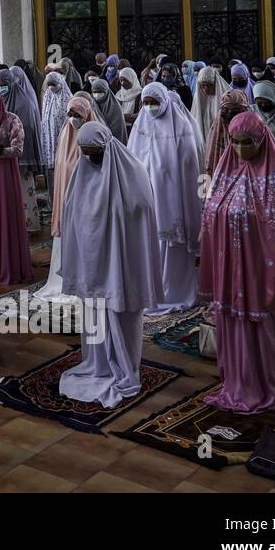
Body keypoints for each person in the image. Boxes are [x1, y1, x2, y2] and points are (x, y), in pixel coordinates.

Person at [200, 113, 275, 411]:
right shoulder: (225, 170)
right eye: (233, 142)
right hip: (231, 269)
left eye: (245, 142)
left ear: (260, 141)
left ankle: (265, 385)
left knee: (264, 329)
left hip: (263, 271)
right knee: (235, 326)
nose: (237, 149)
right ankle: (238, 382)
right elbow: (211, 211)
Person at [58, 123, 163, 407]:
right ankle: (98, 363)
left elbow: (142, 212)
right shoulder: (81, 174)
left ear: (107, 147)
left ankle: (126, 364)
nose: (90, 158)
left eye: (94, 152)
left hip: (122, 267)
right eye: (86, 153)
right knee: (94, 313)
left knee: (122, 314)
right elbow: (71, 213)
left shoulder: (133, 173)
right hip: (92, 264)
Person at [126, 82, 202, 315]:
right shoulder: (140, 126)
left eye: (154, 102)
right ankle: (150, 291)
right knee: (149, 247)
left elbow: (191, 172)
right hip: (147, 201)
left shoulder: (181, 129)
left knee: (171, 249)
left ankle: (175, 291)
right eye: (146, 103)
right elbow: (131, 163)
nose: (149, 107)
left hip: (173, 203)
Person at [35, 94, 98, 303]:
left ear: (86, 114)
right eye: (70, 113)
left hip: (87, 201)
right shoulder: (65, 134)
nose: (72, 118)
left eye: (77, 114)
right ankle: (66, 279)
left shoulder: (93, 135)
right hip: (66, 201)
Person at [0, 84, 32, 284]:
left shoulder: (11, 119)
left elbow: (18, 148)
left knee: (5, 215)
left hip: (4, 175)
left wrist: (0, 151)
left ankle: (8, 267)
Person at [0, 66, 44, 232]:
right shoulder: (3, 100)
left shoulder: (24, 103)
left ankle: (29, 227)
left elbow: (26, 131)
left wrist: (9, 149)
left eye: (3, 84)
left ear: (11, 83)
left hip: (21, 156)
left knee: (25, 193)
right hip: (6, 160)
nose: (0, 88)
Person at [204, 88, 250, 176]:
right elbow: (211, 159)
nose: (229, 114)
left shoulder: (252, 126)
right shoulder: (217, 128)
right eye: (226, 110)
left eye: (235, 111)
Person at [189, 60, 228, 162]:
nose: (205, 89)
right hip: (204, 138)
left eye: (209, 85)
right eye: (202, 86)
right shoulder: (198, 98)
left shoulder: (226, 95)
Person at [38, 71, 71, 192]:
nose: (51, 87)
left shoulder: (68, 98)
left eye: (53, 84)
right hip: (49, 141)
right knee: (51, 174)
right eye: (49, 84)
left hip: (62, 140)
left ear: (60, 83)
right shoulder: (48, 95)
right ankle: (52, 203)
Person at [88, 76, 127, 143]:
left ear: (107, 91)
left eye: (100, 92)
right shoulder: (90, 105)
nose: (97, 95)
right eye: (95, 92)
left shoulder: (115, 108)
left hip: (113, 142)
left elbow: (118, 131)